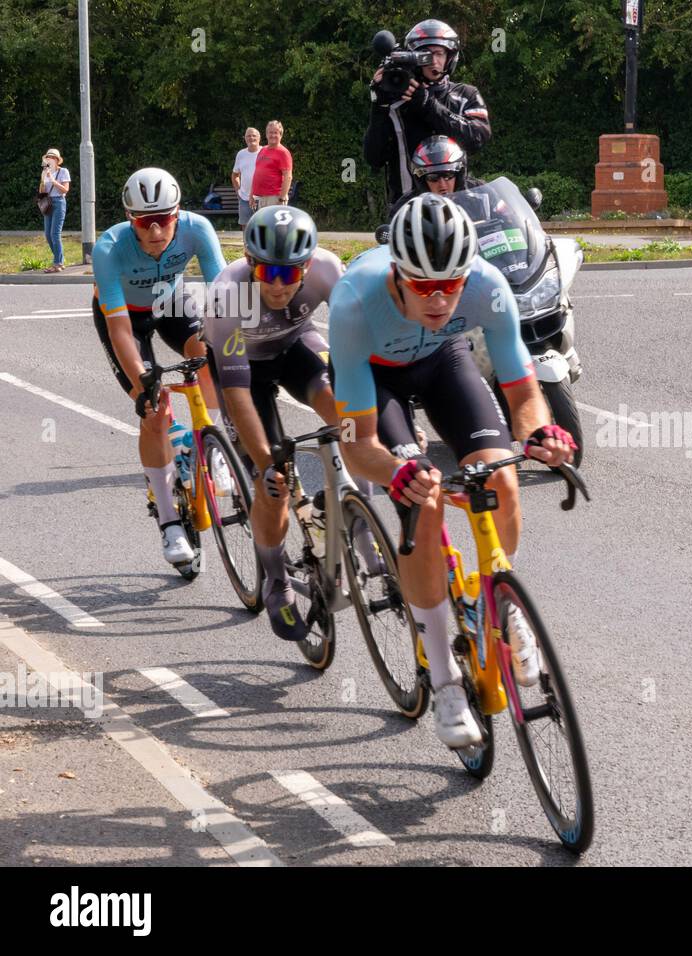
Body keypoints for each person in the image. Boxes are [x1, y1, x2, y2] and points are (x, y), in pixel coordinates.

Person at [328, 193, 576, 747]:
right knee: (422, 501)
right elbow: (355, 442)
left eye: (452, 284)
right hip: (377, 380)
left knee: (501, 477)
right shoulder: (352, 302)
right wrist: (394, 471)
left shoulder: (487, 285)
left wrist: (539, 432)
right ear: (397, 274)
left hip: (444, 362)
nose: (440, 299)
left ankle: (492, 596)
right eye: (423, 286)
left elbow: (523, 389)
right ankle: (443, 681)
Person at [204, 205, 360, 640]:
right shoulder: (228, 294)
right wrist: (267, 461)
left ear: (307, 266)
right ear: (251, 263)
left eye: (290, 274)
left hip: (294, 347)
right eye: (267, 271)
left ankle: (347, 503)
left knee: (342, 409)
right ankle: (276, 578)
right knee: (273, 482)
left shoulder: (328, 269)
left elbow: (358, 349)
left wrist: (366, 430)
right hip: (242, 372)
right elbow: (234, 393)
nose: (277, 284)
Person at [91, 168, 228, 569]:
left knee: (210, 354)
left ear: (177, 213)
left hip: (171, 303)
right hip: (125, 318)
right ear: (130, 220)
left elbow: (222, 296)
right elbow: (118, 330)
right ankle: (169, 523)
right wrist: (143, 380)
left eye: (163, 220)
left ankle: (216, 448)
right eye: (143, 222)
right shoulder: (109, 248)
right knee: (154, 412)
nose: (154, 231)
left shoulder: (197, 229)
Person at [363, 19, 490, 208]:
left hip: (460, 206)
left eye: (439, 53)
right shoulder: (395, 101)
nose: (433, 60)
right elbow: (374, 158)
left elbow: (477, 139)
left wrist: (428, 105)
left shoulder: (466, 95)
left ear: (450, 57)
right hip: (406, 208)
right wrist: (379, 106)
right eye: (426, 54)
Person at [385, 135, 483, 219]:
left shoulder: (480, 193)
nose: (442, 185)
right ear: (422, 180)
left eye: (448, 176)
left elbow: (498, 211)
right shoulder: (406, 207)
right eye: (433, 178)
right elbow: (391, 234)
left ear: (459, 174)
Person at [39, 148, 71, 273]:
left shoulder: (63, 171)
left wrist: (52, 180)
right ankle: (59, 260)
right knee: (48, 234)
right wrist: (43, 179)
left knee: (55, 234)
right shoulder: (44, 172)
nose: (49, 159)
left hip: (59, 202)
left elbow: (65, 190)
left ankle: (57, 263)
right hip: (48, 203)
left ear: (57, 160)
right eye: (48, 157)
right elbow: (42, 192)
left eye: (52, 157)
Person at [251, 120, 292, 212]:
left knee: (275, 226)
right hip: (260, 198)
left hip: (275, 198)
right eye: (270, 132)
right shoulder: (262, 150)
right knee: (263, 226)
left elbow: (288, 177)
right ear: (266, 134)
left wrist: (281, 198)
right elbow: (256, 173)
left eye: (275, 133)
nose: (272, 135)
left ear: (280, 135)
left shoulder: (283, 152)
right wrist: (251, 195)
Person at [231, 127, 261, 226]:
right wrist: (238, 192)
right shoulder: (241, 154)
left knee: (263, 227)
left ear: (259, 138)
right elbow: (235, 175)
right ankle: (246, 242)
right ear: (245, 138)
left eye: (254, 135)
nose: (251, 138)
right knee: (246, 226)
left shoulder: (265, 152)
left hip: (263, 198)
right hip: (244, 198)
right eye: (248, 136)